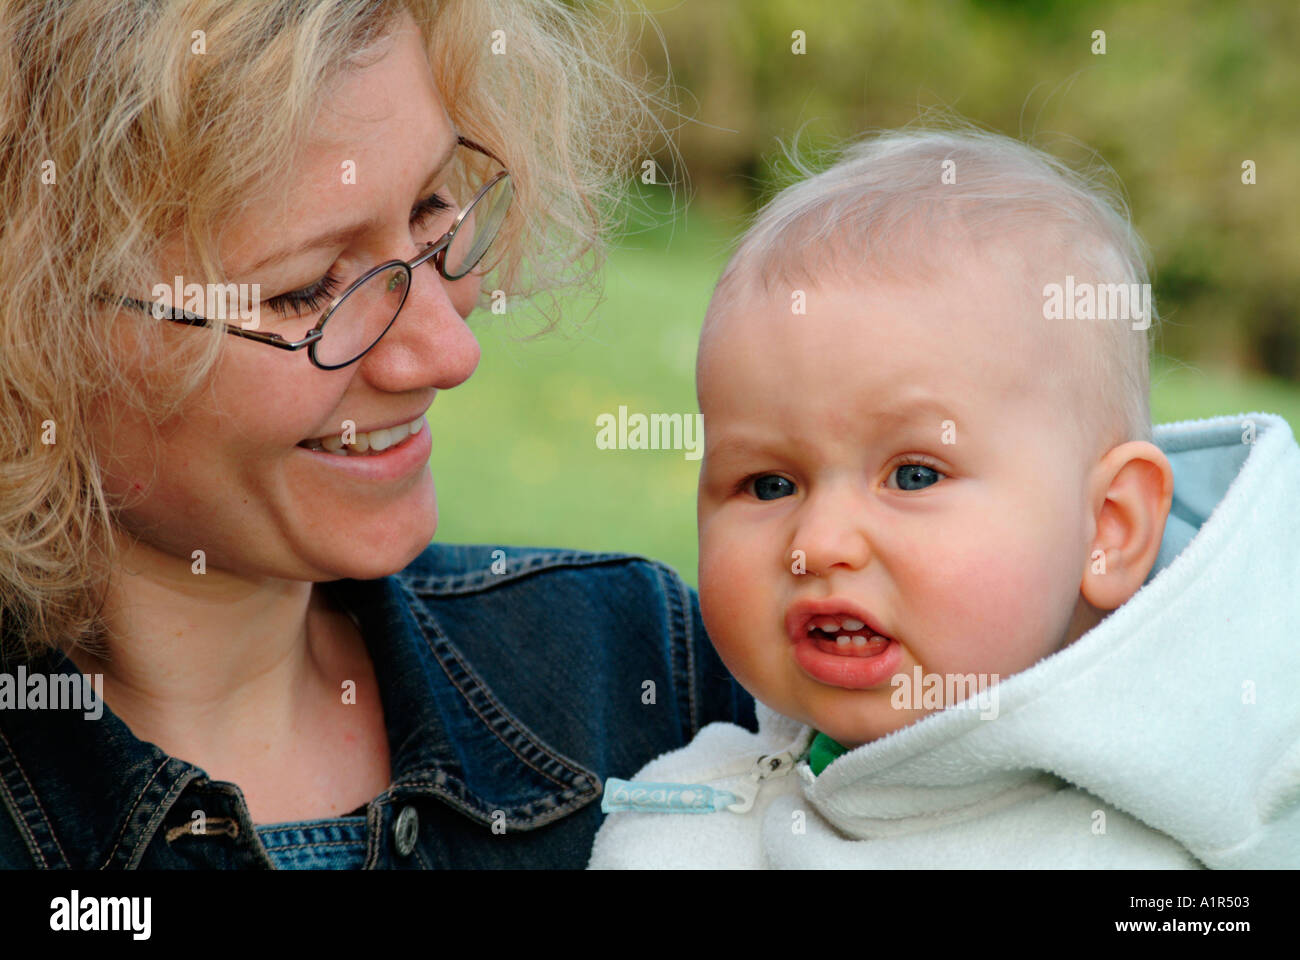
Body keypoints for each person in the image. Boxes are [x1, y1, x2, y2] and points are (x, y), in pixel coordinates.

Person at [0, 0, 754, 870]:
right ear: (35, 329)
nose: (448, 350)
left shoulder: (635, 675)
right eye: (309, 288)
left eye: (433, 208)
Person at [588, 125, 1300, 868]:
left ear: (1110, 528)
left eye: (914, 475)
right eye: (770, 484)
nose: (820, 542)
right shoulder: (698, 800)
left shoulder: (1214, 826)